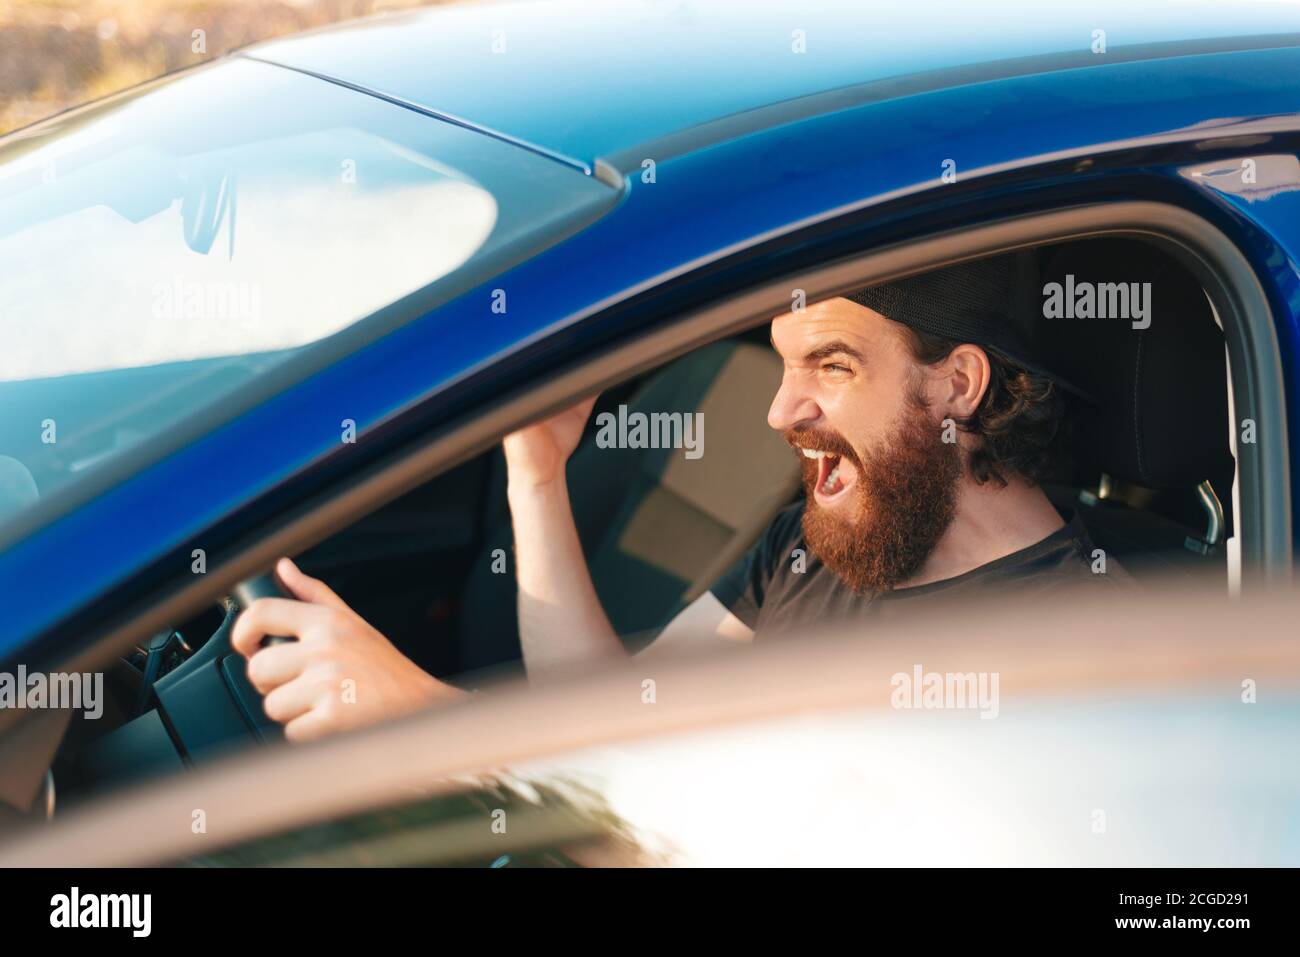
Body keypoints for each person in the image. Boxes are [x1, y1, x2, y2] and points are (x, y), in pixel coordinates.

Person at [232, 256, 1131, 741]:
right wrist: (537, 474)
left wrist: (427, 729)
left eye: (832, 363)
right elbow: (612, 730)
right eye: (784, 364)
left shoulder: (1084, 657)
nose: (781, 409)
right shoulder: (814, 543)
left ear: (958, 387)